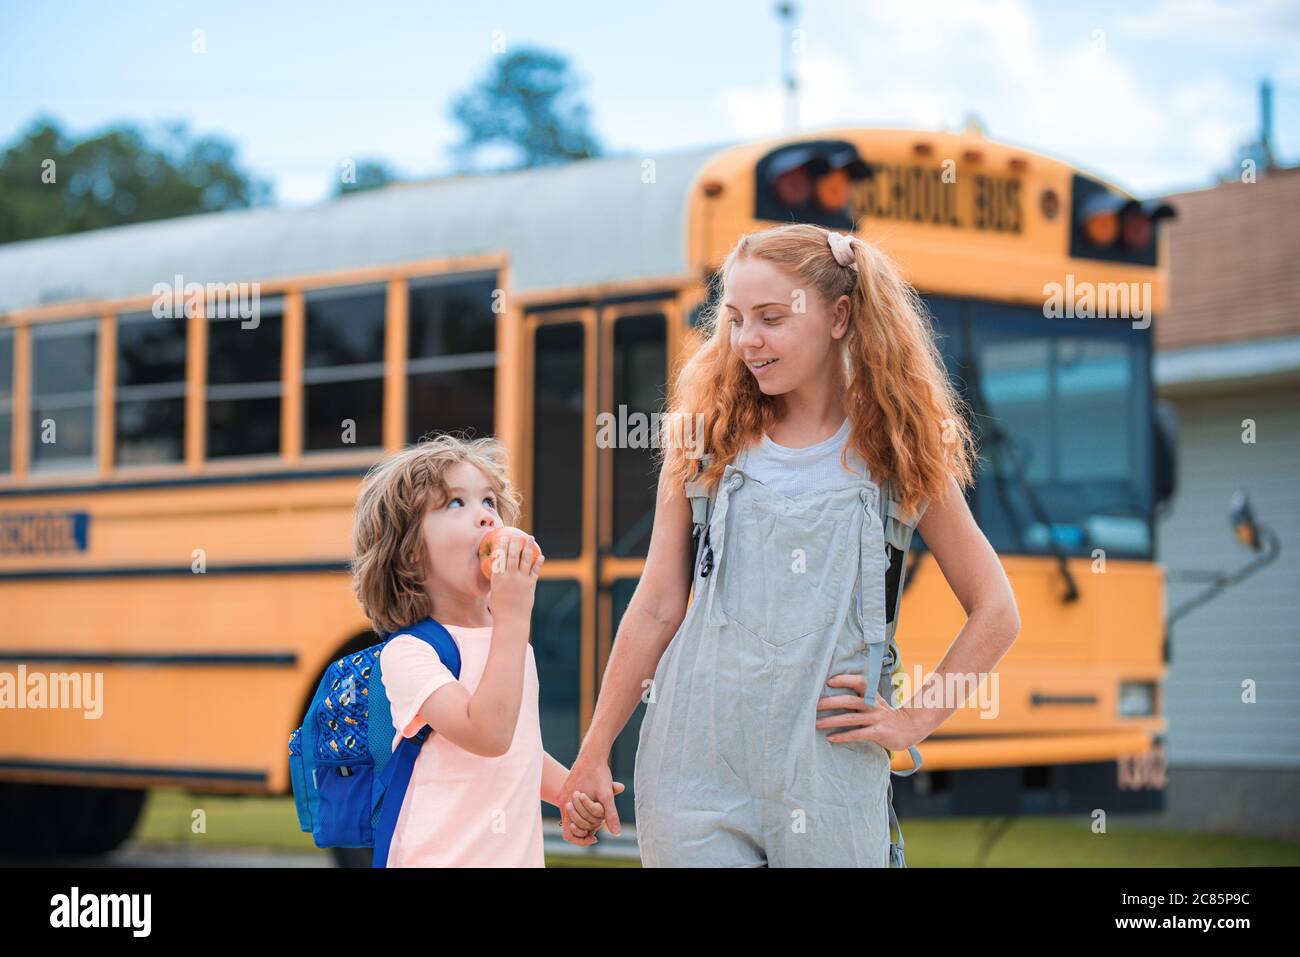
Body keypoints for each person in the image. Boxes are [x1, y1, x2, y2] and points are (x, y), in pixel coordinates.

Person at [557, 223, 1020, 866]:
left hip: (830, 774)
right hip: (694, 769)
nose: (748, 340)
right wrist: (593, 749)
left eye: (772, 319)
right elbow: (659, 604)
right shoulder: (703, 443)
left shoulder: (899, 453)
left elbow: (996, 609)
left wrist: (912, 721)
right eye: (737, 319)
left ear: (839, 316)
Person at [350, 433, 612, 866]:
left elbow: (516, 747)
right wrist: (512, 617)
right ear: (411, 552)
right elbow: (487, 734)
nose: (486, 517)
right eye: (456, 503)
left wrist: (569, 793)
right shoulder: (410, 653)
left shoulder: (509, 642)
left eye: (490, 501)